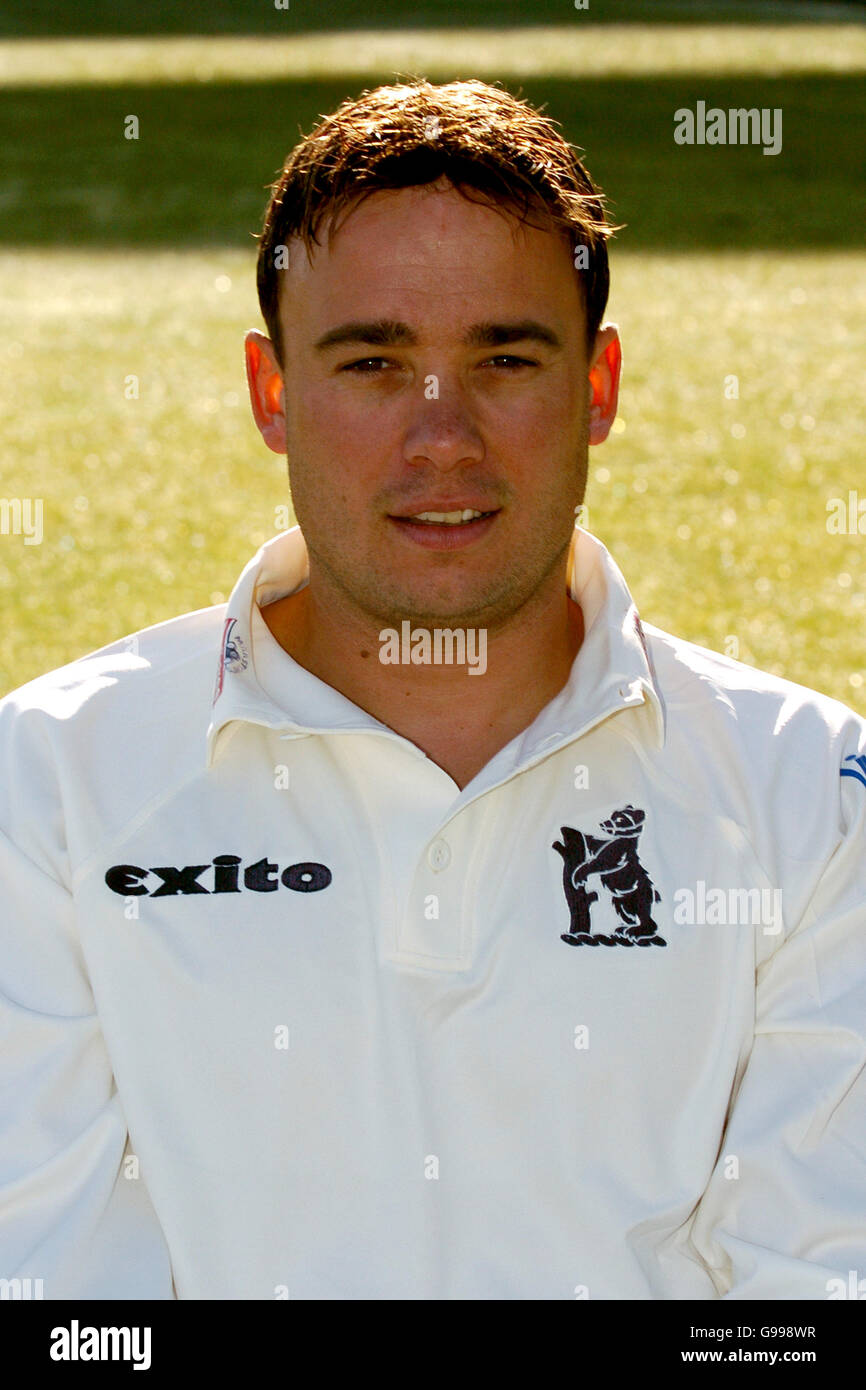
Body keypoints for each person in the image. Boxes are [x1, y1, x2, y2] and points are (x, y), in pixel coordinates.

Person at [1, 78, 864, 1302]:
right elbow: (57, 1305)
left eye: (504, 358)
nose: (442, 435)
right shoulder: (46, 785)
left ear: (597, 387)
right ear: (272, 395)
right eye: (373, 361)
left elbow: (808, 1299)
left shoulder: (811, 801)